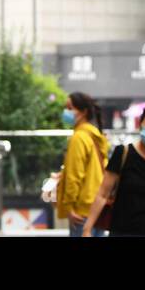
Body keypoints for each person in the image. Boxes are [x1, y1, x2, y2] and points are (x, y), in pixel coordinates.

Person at [82, 102, 145, 237]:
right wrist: (87, 229)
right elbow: (103, 193)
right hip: (122, 232)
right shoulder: (122, 153)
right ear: (141, 123)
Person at [56, 92, 110, 237]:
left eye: (70, 107)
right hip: (98, 208)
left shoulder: (78, 138)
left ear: (83, 112)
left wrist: (69, 208)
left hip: (81, 210)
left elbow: (75, 176)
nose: (66, 112)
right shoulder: (95, 136)